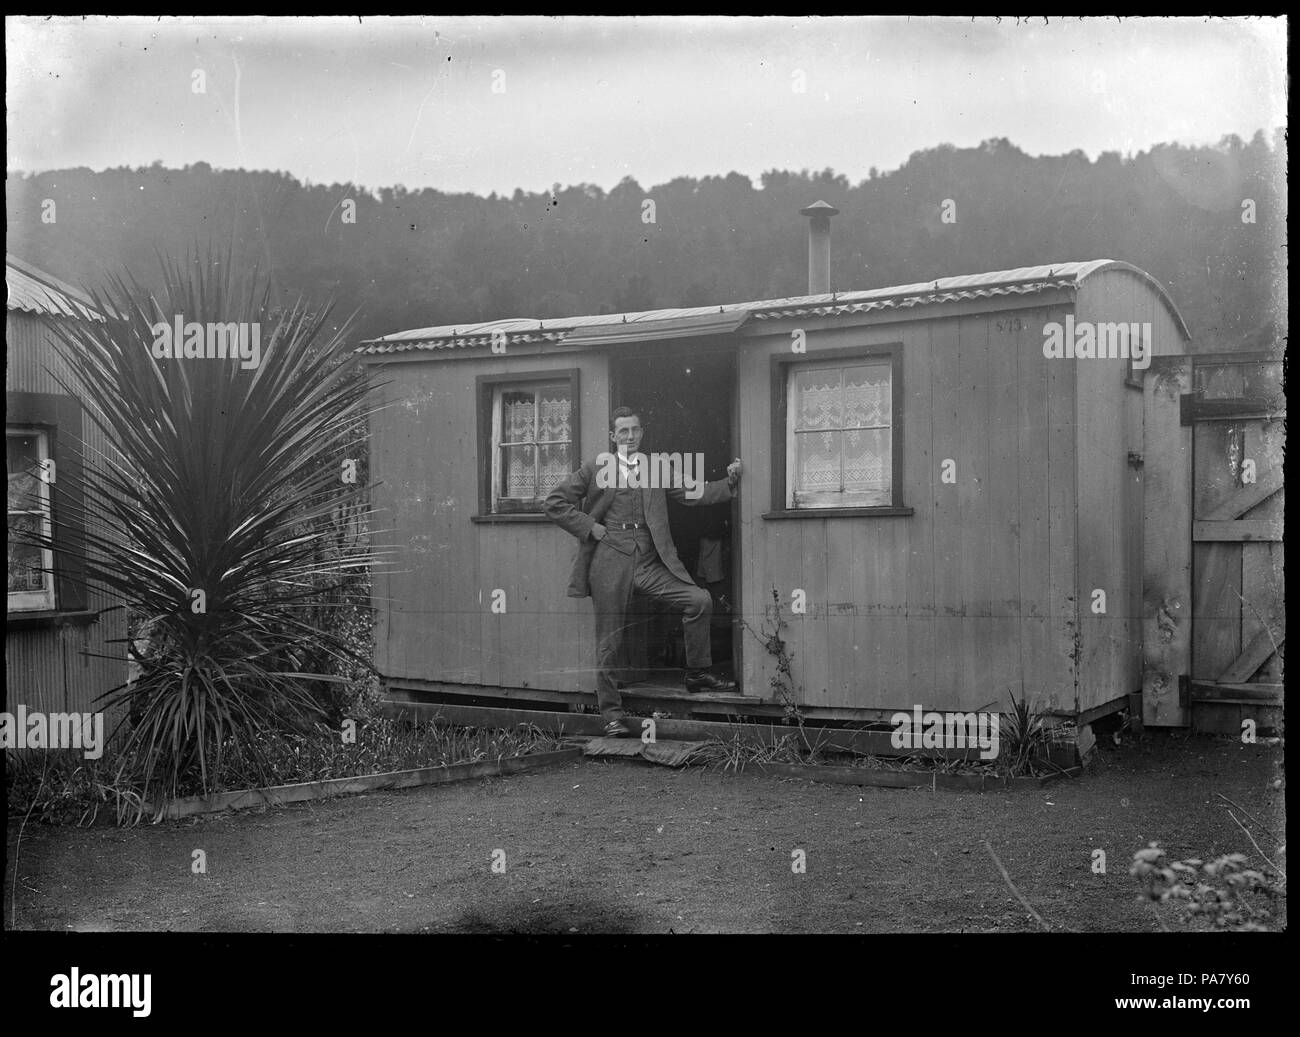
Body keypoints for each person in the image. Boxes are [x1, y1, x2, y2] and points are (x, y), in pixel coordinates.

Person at [545, 406, 741, 737]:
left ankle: (696, 674)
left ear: (642, 433)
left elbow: (695, 493)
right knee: (609, 641)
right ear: (613, 436)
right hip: (610, 560)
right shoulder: (595, 468)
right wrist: (590, 526)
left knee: (699, 600)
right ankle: (611, 715)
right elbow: (554, 502)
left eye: (635, 430)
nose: (630, 436)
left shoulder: (658, 467)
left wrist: (730, 482)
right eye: (623, 431)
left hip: (650, 561)